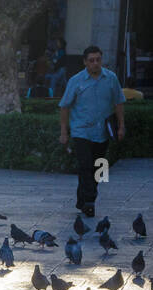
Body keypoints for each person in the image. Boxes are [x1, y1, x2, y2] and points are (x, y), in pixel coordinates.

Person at [59, 45, 125, 218]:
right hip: (81, 131)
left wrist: (121, 126)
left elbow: (119, 102)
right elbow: (64, 106)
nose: (95, 63)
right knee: (85, 164)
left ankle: (83, 200)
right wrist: (64, 132)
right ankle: (90, 201)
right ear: (85, 62)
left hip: (103, 131)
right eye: (91, 60)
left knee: (100, 168)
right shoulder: (76, 80)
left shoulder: (111, 78)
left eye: (98, 60)